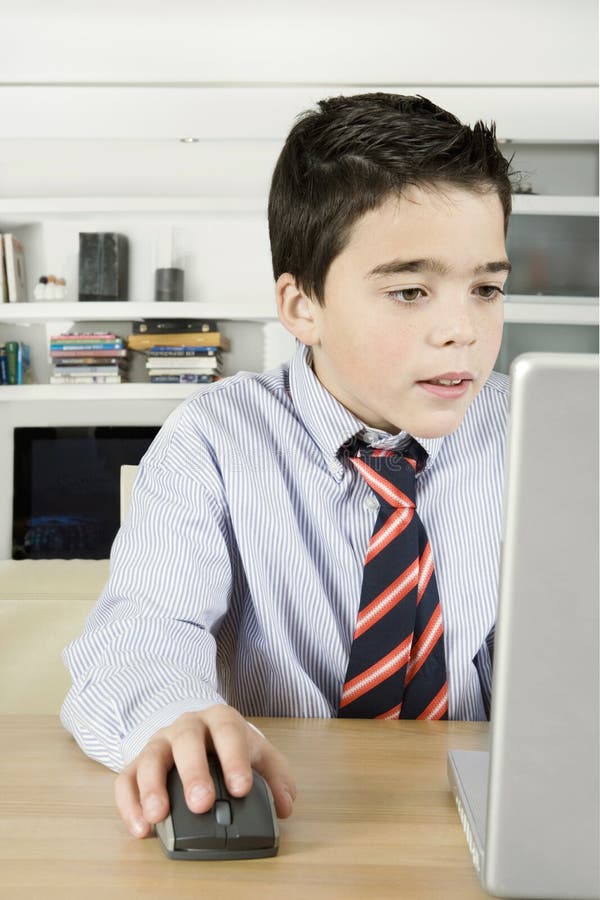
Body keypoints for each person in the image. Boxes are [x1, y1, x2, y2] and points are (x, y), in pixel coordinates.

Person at [61, 92, 515, 840]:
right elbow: (145, 628)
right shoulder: (214, 437)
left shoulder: (530, 432)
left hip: (469, 817)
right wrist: (175, 719)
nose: (462, 330)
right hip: (293, 811)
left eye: (487, 289)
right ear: (302, 305)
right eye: (409, 290)